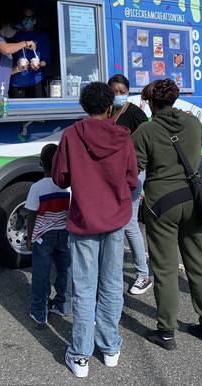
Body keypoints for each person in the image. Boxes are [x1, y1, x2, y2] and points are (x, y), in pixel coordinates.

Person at [52, 82, 139, 378]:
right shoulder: (123, 136)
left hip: (84, 220)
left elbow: (61, 177)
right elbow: (132, 179)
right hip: (116, 218)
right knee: (112, 284)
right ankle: (110, 347)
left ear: (84, 106)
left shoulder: (71, 135)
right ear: (110, 106)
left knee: (84, 288)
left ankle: (80, 356)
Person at [131, 79, 202, 350]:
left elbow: (134, 166)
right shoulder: (192, 123)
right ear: (174, 99)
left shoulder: (146, 130)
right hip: (192, 200)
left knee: (165, 269)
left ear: (150, 101)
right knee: (198, 264)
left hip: (161, 204)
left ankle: (167, 332)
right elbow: (201, 140)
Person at [108, 74, 152, 295]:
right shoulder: (106, 112)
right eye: (114, 91)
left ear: (127, 91)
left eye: (121, 91)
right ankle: (113, 270)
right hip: (111, 175)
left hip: (133, 173)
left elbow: (148, 143)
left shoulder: (135, 114)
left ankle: (143, 274)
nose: (118, 95)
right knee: (115, 223)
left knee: (128, 222)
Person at [25, 143, 71, 325]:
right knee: (65, 271)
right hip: (65, 233)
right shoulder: (68, 186)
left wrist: (30, 237)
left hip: (43, 236)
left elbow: (31, 213)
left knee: (41, 273)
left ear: (40, 163)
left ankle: (39, 311)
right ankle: (62, 305)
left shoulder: (37, 187)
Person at [0, 17, 36, 97]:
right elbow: (6, 49)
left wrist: (17, 69)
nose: (15, 31)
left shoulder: (2, 40)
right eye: (14, 28)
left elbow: (3, 72)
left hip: (1, 93)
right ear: (4, 23)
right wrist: (25, 43)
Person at [10, 7, 50, 98]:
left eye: (31, 18)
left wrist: (39, 64)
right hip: (17, 80)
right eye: (25, 18)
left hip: (36, 80)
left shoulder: (41, 36)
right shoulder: (14, 35)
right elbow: (7, 56)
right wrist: (17, 66)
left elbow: (46, 60)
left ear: (35, 20)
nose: (28, 21)